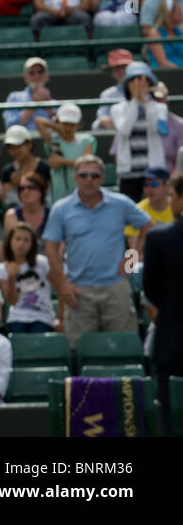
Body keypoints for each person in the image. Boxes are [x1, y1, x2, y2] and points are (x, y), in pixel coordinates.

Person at [46, 155, 153, 350]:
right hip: (78, 291)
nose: (89, 180)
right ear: (75, 178)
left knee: (123, 348)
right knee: (80, 351)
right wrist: (62, 283)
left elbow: (148, 225)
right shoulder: (61, 209)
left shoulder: (120, 203)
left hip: (115, 288)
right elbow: (51, 247)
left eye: (94, 175)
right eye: (83, 175)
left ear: (103, 178)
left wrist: (133, 258)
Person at [143, 173, 183, 435]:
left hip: (173, 341)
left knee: (170, 416)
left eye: (173, 196)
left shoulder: (159, 238)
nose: (171, 202)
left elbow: (152, 290)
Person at [110, 62, 171, 200]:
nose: (137, 84)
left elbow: (160, 129)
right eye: (133, 80)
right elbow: (124, 131)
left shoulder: (159, 108)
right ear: (127, 84)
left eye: (142, 80)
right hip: (128, 173)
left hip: (153, 172)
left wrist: (145, 101)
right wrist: (135, 101)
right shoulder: (117, 109)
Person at [0, 223, 55, 334]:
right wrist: (12, 277)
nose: (21, 244)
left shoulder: (42, 262)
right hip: (17, 316)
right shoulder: (3, 268)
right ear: (10, 241)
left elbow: (59, 286)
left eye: (26, 240)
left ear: (32, 244)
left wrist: (60, 318)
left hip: (42, 316)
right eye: (17, 239)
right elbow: (12, 301)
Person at [34, 103, 95, 203]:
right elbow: (38, 121)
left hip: (82, 198)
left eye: (72, 124)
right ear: (58, 122)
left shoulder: (86, 140)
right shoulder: (54, 141)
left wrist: (61, 161)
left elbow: (86, 165)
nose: (68, 128)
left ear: (78, 124)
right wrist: (57, 127)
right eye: (65, 123)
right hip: (58, 199)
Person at [3, 57, 55, 130]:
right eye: (32, 73)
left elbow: (64, 131)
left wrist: (51, 111)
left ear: (47, 76)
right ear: (25, 77)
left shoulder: (55, 104)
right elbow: (10, 126)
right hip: (22, 140)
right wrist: (33, 105)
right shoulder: (14, 97)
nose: (37, 76)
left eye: (40, 72)